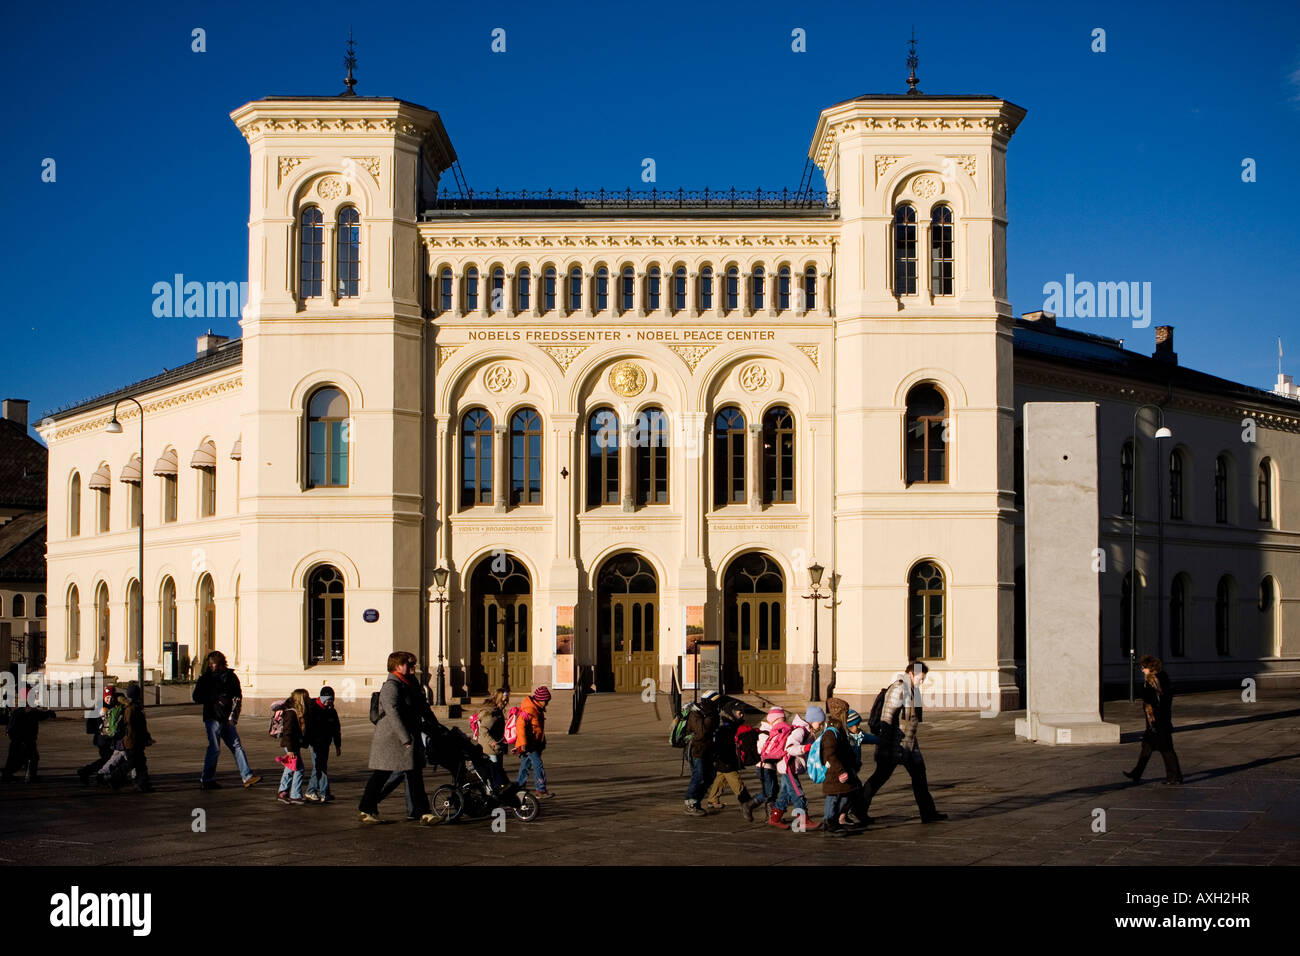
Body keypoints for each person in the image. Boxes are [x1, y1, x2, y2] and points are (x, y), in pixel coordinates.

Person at [861, 661, 947, 824]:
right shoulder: (900, 688)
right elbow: (888, 715)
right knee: (881, 776)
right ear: (911, 674)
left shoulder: (912, 690)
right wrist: (885, 742)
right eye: (921, 678)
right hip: (895, 742)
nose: (922, 681)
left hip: (908, 743)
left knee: (919, 774)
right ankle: (858, 808)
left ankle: (928, 812)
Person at [358, 651, 438, 824]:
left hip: (409, 736)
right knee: (381, 775)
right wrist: (405, 738)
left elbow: (423, 707)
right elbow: (393, 713)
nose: (412, 667)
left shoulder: (412, 683)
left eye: (413, 663)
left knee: (414, 775)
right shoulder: (391, 686)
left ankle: (422, 812)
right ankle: (366, 808)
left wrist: (435, 725)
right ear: (397, 666)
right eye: (409, 664)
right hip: (392, 739)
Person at [192, 651, 262, 790]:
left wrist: (233, 708)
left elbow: (238, 694)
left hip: (226, 717)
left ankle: (247, 776)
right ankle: (207, 779)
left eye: (215, 664)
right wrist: (216, 698)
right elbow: (197, 697)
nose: (212, 667)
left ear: (222, 663)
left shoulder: (231, 676)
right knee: (215, 748)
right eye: (210, 664)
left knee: (236, 746)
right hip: (213, 717)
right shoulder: (206, 678)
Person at [1125, 656, 1183, 785]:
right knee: (1147, 747)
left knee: (1167, 749)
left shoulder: (1155, 681)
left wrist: (1143, 689)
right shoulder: (1157, 679)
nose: (1142, 670)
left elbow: (1156, 701)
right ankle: (1136, 773)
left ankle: (1175, 776)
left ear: (1150, 668)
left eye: (1144, 668)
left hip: (1158, 722)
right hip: (1155, 722)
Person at [704, 700, 763, 821]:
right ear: (730, 713)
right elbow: (723, 746)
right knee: (736, 782)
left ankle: (713, 799)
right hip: (726, 760)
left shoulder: (734, 725)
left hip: (726, 760)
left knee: (721, 777)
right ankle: (746, 801)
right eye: (738, 713)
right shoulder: (726, 728)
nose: (741, 715)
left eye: (742, 713)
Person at [818, 697, 864, 836]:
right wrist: (841, 770)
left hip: (842, 769)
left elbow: (845, 750)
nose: (847, 714)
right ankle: (829, 822)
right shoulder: (831, 732)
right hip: (835, 772)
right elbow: (830, 754)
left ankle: (836, 820)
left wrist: (853, 762)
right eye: (845, 711)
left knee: (845, 794)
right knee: (833, 797)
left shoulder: (839, 729)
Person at [1, 685, 55, 782]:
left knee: (18, 757)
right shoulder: (25, 708)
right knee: (31, 756)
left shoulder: (20, 707)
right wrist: (48, 713)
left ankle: (8, 775)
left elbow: (36, 714)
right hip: (24, 737)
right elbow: (36, 715)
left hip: (19, 736)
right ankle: (29, 776)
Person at [682, 690, 720, 816]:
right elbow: (701, 733)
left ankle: (696, 800)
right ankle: (690, 802)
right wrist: (710, 717)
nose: (716, 705)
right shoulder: (696, 713)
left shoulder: (712, 713)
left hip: (708, 750)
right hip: (696, 751)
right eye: (714, 702)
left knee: (710, 776)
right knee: (699, 776)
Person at [514, 686, 553, 798]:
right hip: (529, 744)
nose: (547, 703)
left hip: (534, 743)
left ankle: (519, 786)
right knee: (538, 764)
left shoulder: (537, 709)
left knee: (525, 765)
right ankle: (540, 790)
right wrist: (523, 743)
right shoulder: (530, 709)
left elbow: (537, 728)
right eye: (546, 701)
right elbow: (520, 726)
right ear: (541, 700)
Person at [304, 686, 342, 803]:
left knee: (321, 767)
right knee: (319, 767)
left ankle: (319, 791)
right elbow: (309, 727)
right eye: (327, 700)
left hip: (326, 743)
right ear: (321, 698)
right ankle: (318, 792)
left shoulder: (332, 711)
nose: (328, 702)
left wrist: (337, 745)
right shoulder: (313, 709)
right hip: (315, 743)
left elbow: (336, 729)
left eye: (330, 700)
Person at [77, 683, 118, 785]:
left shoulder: (114, 706)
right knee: (107, 759)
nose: (109, 699)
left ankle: (90, 772)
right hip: (103, 739)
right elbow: (90, 721)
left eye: (111, 697)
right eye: (107, 697)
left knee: (109, 759)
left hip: (109, 738)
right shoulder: (100, 706)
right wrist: (97, 730)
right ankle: (87, 771)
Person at [277, 688, 311, 805]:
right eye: (306, 697)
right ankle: (294, 795)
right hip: (291, 744)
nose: (308, 699)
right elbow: (288, 732)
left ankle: (283, 792)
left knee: (291, 767)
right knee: (298, 768)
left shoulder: (295, 711)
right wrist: (290, 750)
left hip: (293, 744)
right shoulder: (291, 713)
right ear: (301, 699)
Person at [473, 688, 510, 792]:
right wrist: (492, 742)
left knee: (497, 773)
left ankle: (495, 793)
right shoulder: (492, 713)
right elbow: (484, 729)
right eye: (504, 700)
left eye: (507, 699)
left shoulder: (498, 711)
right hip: (489, 749)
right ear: (498, 699)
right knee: (493, 774)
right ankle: (491, 794)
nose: (506, 702)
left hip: (497, 747)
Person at [755, 706, 787, 819]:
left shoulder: (774, 732)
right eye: (780, 721)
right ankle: (750, 804)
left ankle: (770, 813)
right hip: (763, 765)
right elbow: (761, 750)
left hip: (770, 765)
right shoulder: (765, 732)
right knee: (769, 791)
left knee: (774, 789)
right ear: (773, 721)